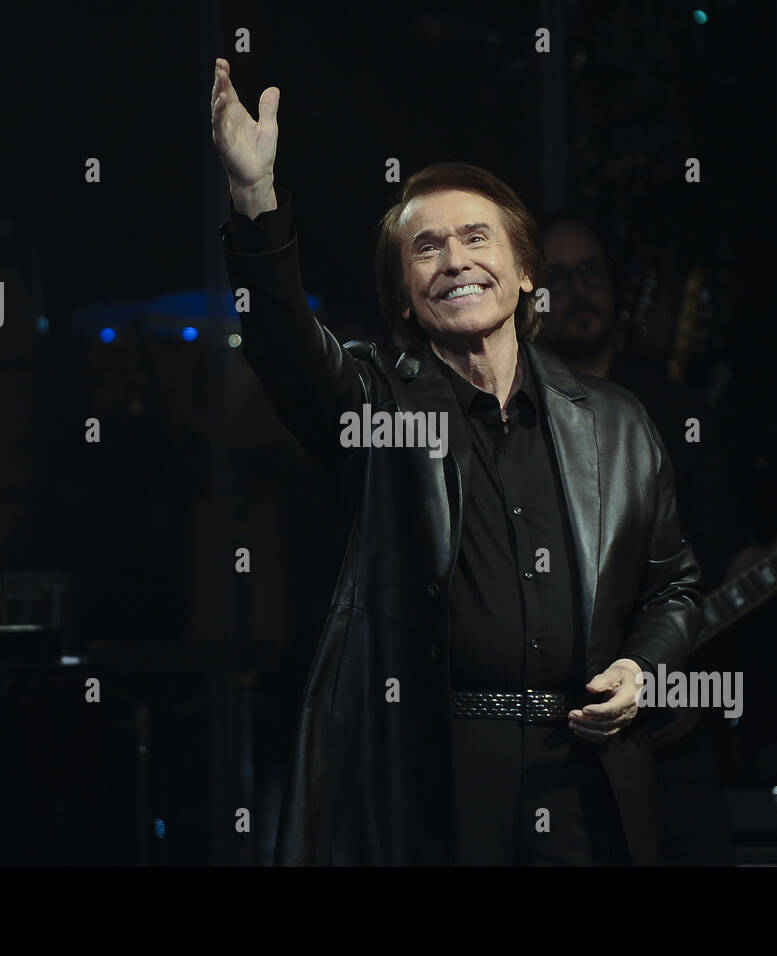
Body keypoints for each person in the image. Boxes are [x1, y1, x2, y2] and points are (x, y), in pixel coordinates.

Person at [211, 58, 704, 866]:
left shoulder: (616, 424)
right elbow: (287, 349)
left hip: (585, 776)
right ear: (405, 296)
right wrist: (254, 198)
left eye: (477, 237)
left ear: (525, 271)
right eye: (426, 248)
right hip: (432, 775)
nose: (455, 259)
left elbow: (674, 584)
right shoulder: (379, 403)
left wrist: (644, 669)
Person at [538, 212, 777, 863]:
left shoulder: (676, 410)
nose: (579, 289)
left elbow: (724, 556)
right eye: (558, 276)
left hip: (673, 737)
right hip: (555, 741)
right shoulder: (520, 414)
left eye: (591, 272)